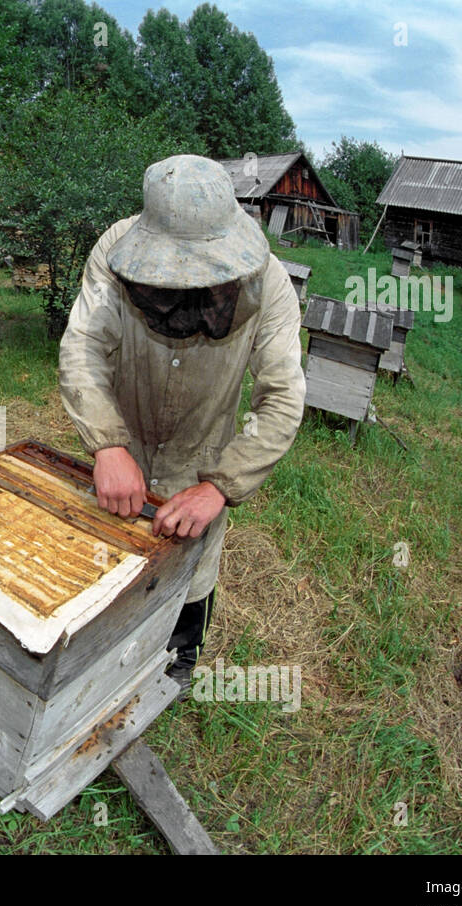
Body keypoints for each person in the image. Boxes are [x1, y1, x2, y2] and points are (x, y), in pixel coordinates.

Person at [59, 154, 305, 698]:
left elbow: (283, 395)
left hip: (200, 460)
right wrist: (107, 444)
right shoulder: (113, 249)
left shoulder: (271, 284)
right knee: (100, 578)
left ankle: (174, 671)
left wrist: (220, 485)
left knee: (189, 581)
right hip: (126, 444)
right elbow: (82, 348)